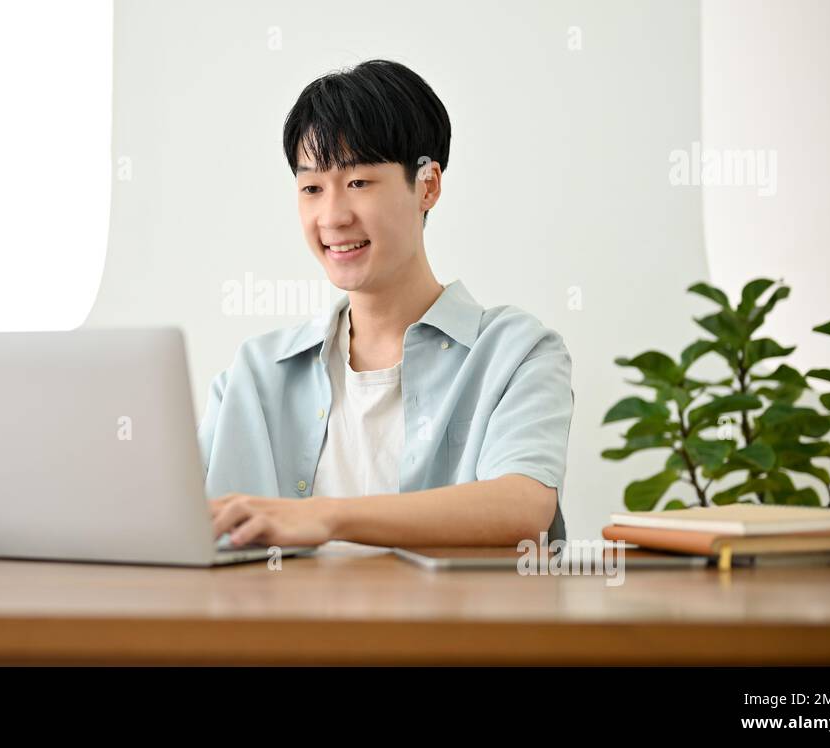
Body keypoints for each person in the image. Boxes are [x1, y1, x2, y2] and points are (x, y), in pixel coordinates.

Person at [202, 59, 572, 549]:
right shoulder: (255, 372)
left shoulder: (516, 353)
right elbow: (176, 518)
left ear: (428, 185)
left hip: (445, 629)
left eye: (358, 182)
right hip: (278, 628)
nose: (332, 216)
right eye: (312, 188)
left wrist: (326, 518)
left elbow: (523, 507)